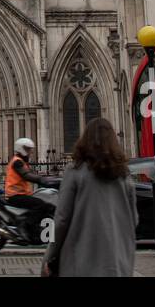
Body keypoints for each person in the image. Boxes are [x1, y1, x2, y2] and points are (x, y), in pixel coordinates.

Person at [43, 117, 137, 277]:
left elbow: (61, 219)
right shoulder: (124, 175)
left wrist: (49, 255)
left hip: (80, 262)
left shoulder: (74, 171)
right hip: (117, 264)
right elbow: (134, 219)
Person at [4, 138, 51, 236]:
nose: (30, 152)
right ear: (21, 149)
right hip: (16, 195)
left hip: (20, 194)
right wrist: (41, 180)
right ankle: (26, 225)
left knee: (40, 202)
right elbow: (26, 175)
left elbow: (29, 174)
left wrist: (44, 177)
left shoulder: (21, 161)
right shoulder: (17, 162)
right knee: (40, 204)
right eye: (28, 149)